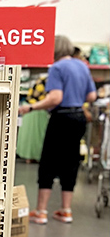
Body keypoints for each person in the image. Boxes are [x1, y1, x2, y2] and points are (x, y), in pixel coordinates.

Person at [18, 34, 97, 224]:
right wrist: (76, 98)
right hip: (78, 117)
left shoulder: (57, 68)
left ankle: (42, 211)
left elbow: (55, 98)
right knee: (71, 162)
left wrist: (30, 107)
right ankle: (66, 210)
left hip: (61, 118)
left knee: (49, 162)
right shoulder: (82, 66)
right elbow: (92, 96)